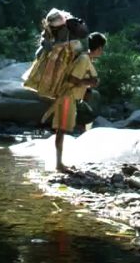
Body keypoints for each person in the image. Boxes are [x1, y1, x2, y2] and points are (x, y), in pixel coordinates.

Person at [46, 31, 106, 173]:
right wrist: (89, 81)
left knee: (64, 129)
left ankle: (60, 162)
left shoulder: (86, 58)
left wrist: (89, 85)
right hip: (67, 97)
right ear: (99, 48)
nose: (102, 51)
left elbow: (79, 79)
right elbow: (73, 80)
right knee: (61, 129)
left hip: (71, 98)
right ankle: (58, 164)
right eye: (102, 48)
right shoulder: (84, 59)